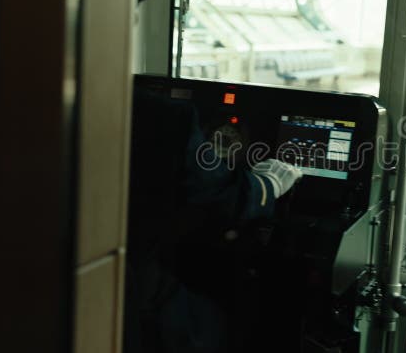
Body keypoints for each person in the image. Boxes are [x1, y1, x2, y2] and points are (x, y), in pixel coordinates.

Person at [124, 86, 302, 353]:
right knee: (233, 318)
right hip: (138, 288)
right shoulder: (167, 115)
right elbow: (217, 195)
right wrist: (268, 185)